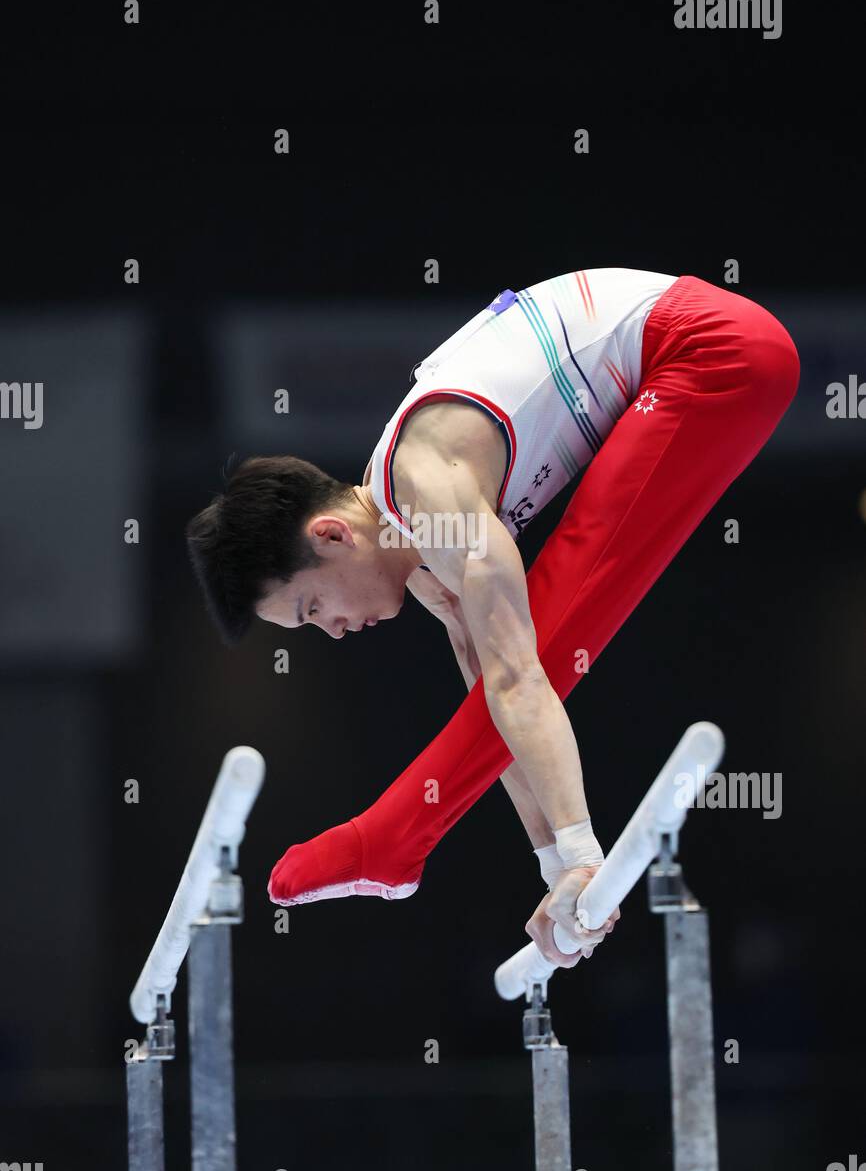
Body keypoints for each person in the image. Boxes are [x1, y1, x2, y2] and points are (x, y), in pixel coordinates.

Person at [186, 269, 799, 966]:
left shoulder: (432, 495)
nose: (331, 630)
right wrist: (551, 865)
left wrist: (581, 855)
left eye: (313, 607)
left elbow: (519, 682)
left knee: (558, 612)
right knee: (529, 642)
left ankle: (391, 835)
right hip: (710, 354)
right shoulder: (422, 560)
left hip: (709, 347)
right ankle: (394, 838)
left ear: (331, 536)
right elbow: (495, 704)